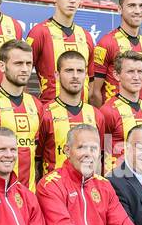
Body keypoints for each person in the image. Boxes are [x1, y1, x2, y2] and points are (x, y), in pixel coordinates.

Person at [0, 38, 45, 188]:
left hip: (28, 195)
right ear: (2, 66)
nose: (25, 69)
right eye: (18, 63)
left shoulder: (36, 105)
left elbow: (35, 155)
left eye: (28, 64)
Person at [28, 0, 94, 103]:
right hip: (51, 116)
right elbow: (21, 76)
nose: (73, 0)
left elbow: (91, 82)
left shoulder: (86, 36)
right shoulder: (40, 32)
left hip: (82, 117)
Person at [38, 49, 100, 178]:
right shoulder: (44, 114)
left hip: (88, 193)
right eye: (69, 70)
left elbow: (101, 157)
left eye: (80, 71)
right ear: (57, 75)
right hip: (55, 193)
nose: (75, 76)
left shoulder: (98, 115)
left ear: (86, 76)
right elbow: (36, 160)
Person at [96, 50, 142, 173]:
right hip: (117, 183)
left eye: (140, 72)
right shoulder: (107, 112)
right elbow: (98, 155)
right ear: (117, 75)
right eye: (130, 72)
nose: (136, 77)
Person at [91, 0, 142, 107]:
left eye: (141, 6)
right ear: (120, 9)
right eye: (132, 6)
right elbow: (94, 92)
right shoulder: (106, 43)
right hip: (116, 119)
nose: (137, 11)